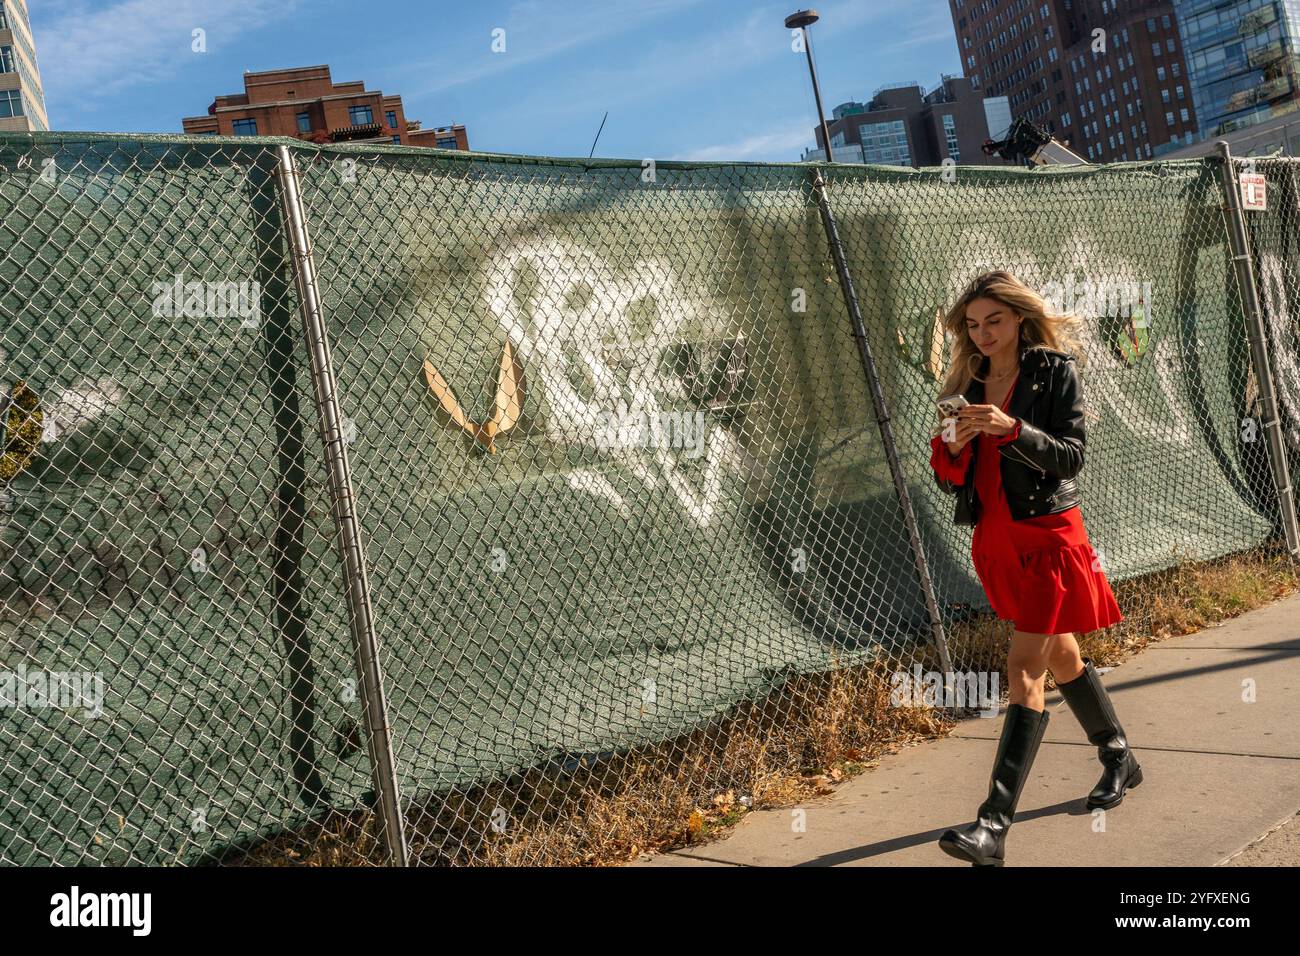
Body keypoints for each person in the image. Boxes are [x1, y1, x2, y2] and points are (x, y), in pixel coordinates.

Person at [928, 270, 1143, 867]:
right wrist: (950, 445)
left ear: (1018, 317)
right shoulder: (968, 379)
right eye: (973, 325)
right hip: (995, 539)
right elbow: (950, 475)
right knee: (1061, 656)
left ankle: (992, 826)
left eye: (993, 320)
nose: (984, 333)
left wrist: (1012, 429)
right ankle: (1118, 754)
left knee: (1024, 668)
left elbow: (1071, 456)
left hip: (1047, 538)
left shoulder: (1052, 372)